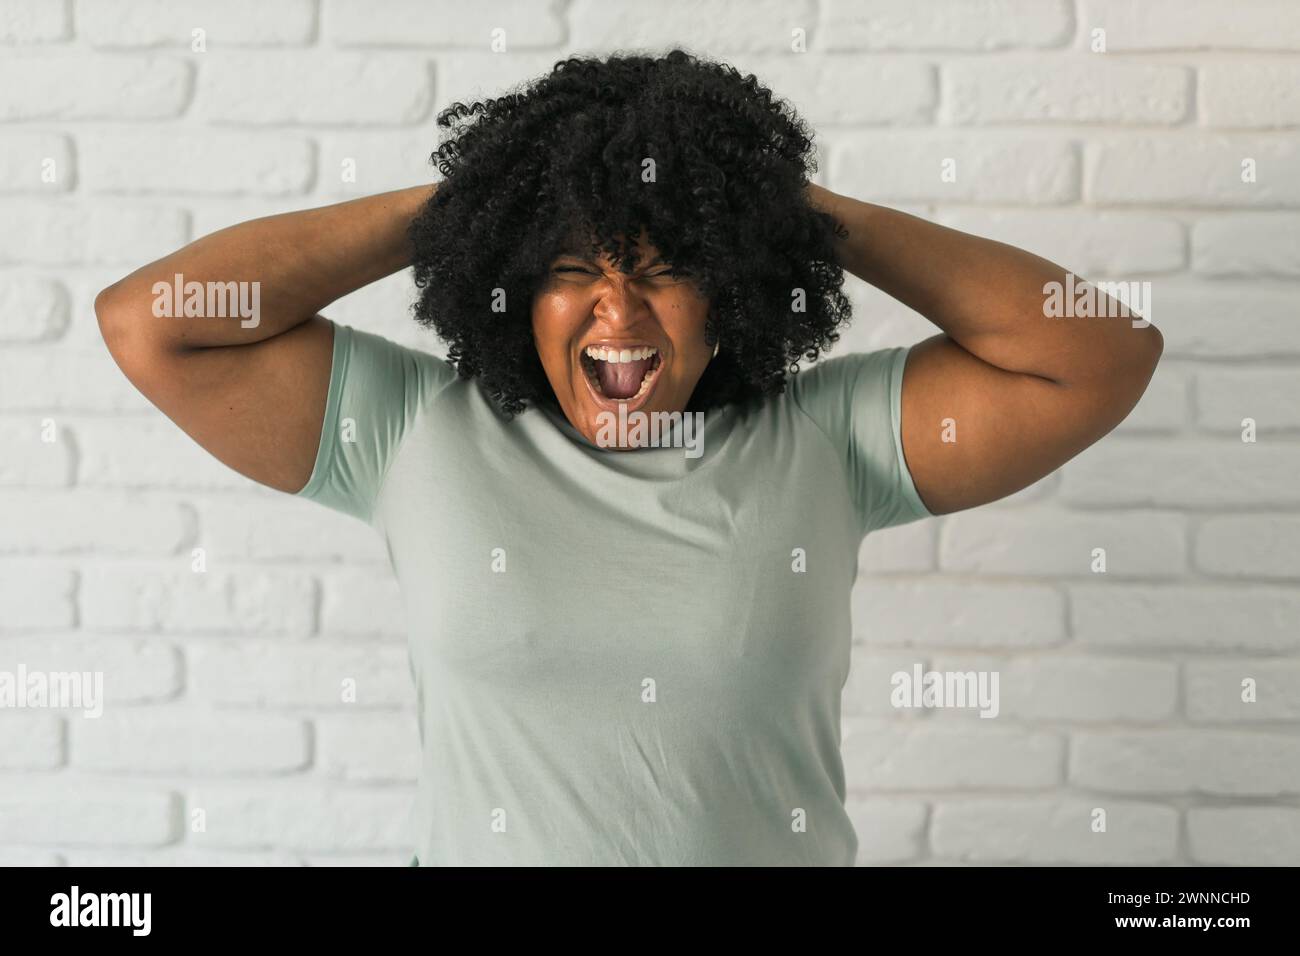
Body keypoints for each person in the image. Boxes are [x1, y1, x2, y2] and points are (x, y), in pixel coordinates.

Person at [94, 50, 1162, 866]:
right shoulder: (417, 430)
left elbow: (1098, 353)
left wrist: (794, 214)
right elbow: (154, 323)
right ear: (513, 281)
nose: (616, 308)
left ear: (733, 286)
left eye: (667, 265)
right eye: (570, 266)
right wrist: (474, 199)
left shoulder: (823, 444)